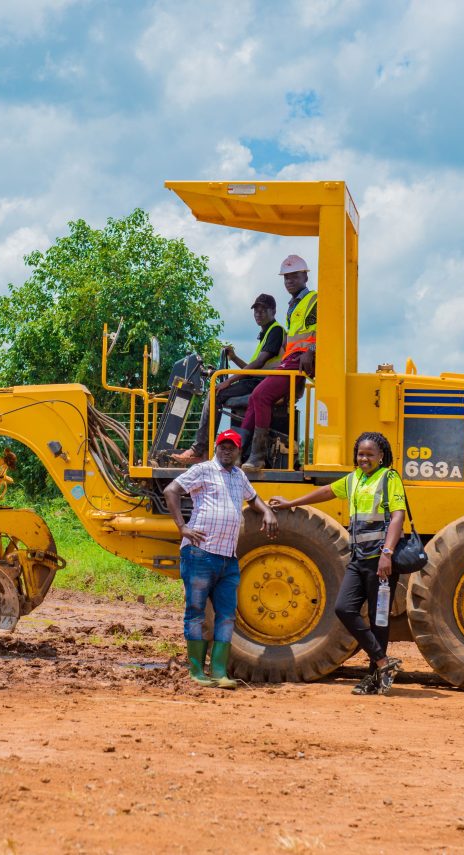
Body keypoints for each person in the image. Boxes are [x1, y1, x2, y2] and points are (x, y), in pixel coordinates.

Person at [268, 432, 406, 695]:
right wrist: (291, 503)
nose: (364, 458)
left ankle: (375, 678)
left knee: (379, 621)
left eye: (370, 454)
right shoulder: (354, 479)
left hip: (380, 561)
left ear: (381, 456)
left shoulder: (388, 478)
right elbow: (326, 492)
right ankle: (383, 662)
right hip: (359, 559)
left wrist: (387, 553)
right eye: (360, 454)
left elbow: (398, 517)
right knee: (344, 608)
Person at [164, 429, 278, 688]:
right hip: (200, 554)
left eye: (232, 446)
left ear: (239, 451)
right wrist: (182, 527)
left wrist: (268, 512)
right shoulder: (203, 470)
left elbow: (254, 498)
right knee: (197, 614)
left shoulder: (239, 476)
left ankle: (218, 672)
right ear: (216, 447)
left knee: (226, 616)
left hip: (228, 558)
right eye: (223, 446)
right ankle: (196, 671)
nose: (227, 450)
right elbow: (171, 491)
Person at [170, 293, 285, 465]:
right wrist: (235, 358)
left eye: (263, 310)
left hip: (263, 384)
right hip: (259, 381)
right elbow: (255, 367)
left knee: (215, 393)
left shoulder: (275, 331)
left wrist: (229, 381)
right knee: (217, 391)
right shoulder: (266, 333)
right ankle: (205, 448)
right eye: (256, 310)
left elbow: (258, 363)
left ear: (273, 311)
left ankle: (199, 449)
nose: (259, 314)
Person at [241, 255, 317, 473]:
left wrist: (310, 351)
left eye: (294, 276)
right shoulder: (294, 305)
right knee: (256, 398)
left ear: (305, 276)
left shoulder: (313, 300)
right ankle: (240, 451)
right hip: (291, 360)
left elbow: (323, 329)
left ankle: (257, 457)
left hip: (300, 361)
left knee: (259, 395)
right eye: (286, 278)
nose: (289, 281)